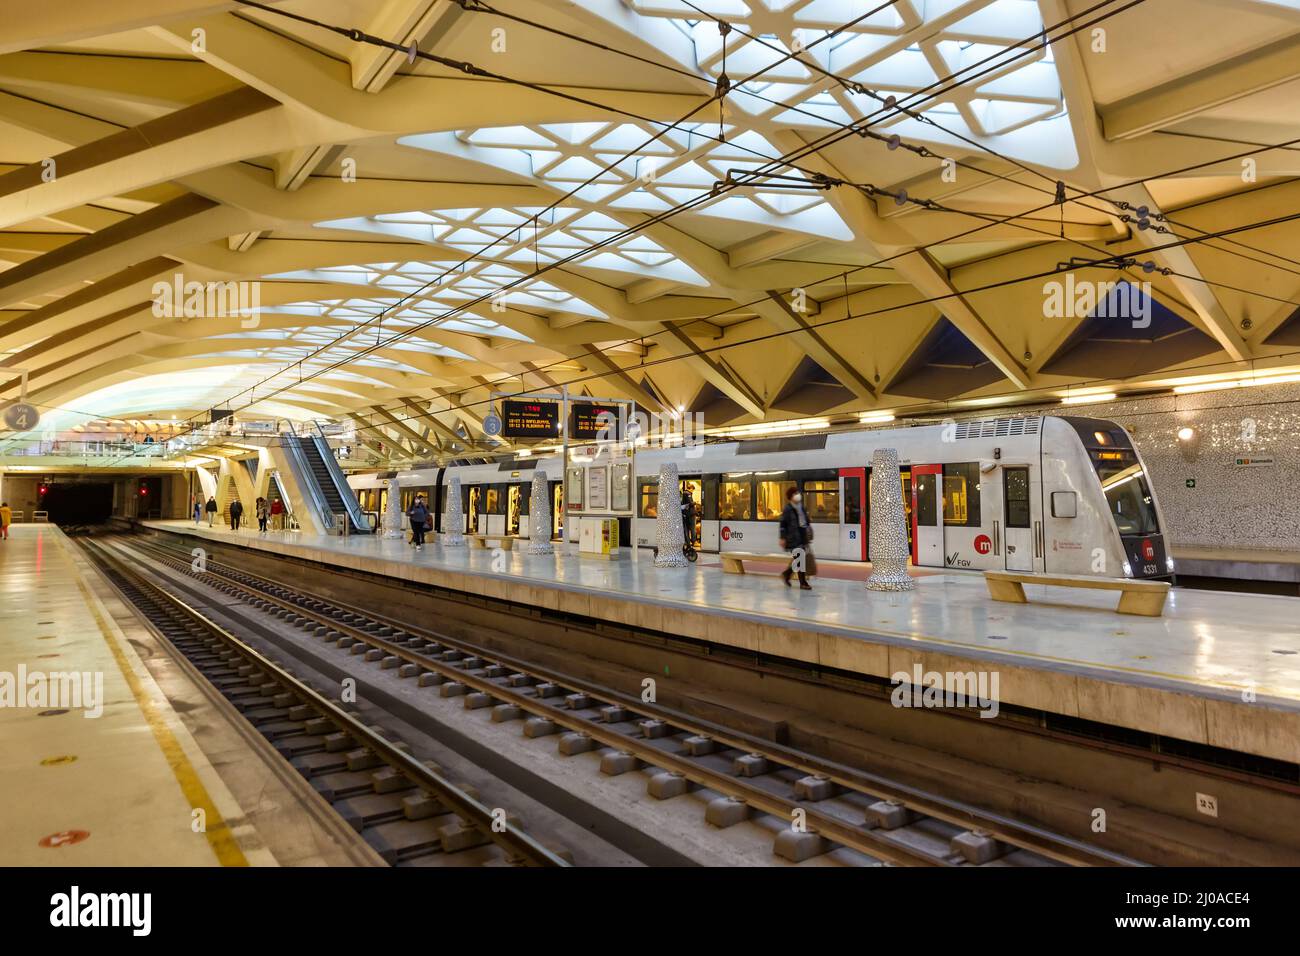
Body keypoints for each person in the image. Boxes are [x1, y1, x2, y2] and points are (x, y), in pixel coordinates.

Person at [779, 486, 814, 590]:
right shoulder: (787, 509)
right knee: (800, 559)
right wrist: (782, 538)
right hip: (793, 537)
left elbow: (806, 521)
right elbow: (783, 524)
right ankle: (802, 583)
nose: (797, 495)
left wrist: (808, 527)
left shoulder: (801, 507)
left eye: (797, 493)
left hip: (802, 535)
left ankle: (787, 574)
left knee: (799, 559)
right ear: (790, 497)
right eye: (795, 494)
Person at [680, 483, 697, 548]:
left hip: (686, 514)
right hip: (690, 514)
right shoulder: (688, 494)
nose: (693, 491)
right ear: (691, 488)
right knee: (693, 528)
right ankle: (694, 541)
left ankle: (687, 542)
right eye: (693, 490)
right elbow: (690, 503)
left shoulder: (683, 493)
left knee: (687, 528)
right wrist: (695, 503)